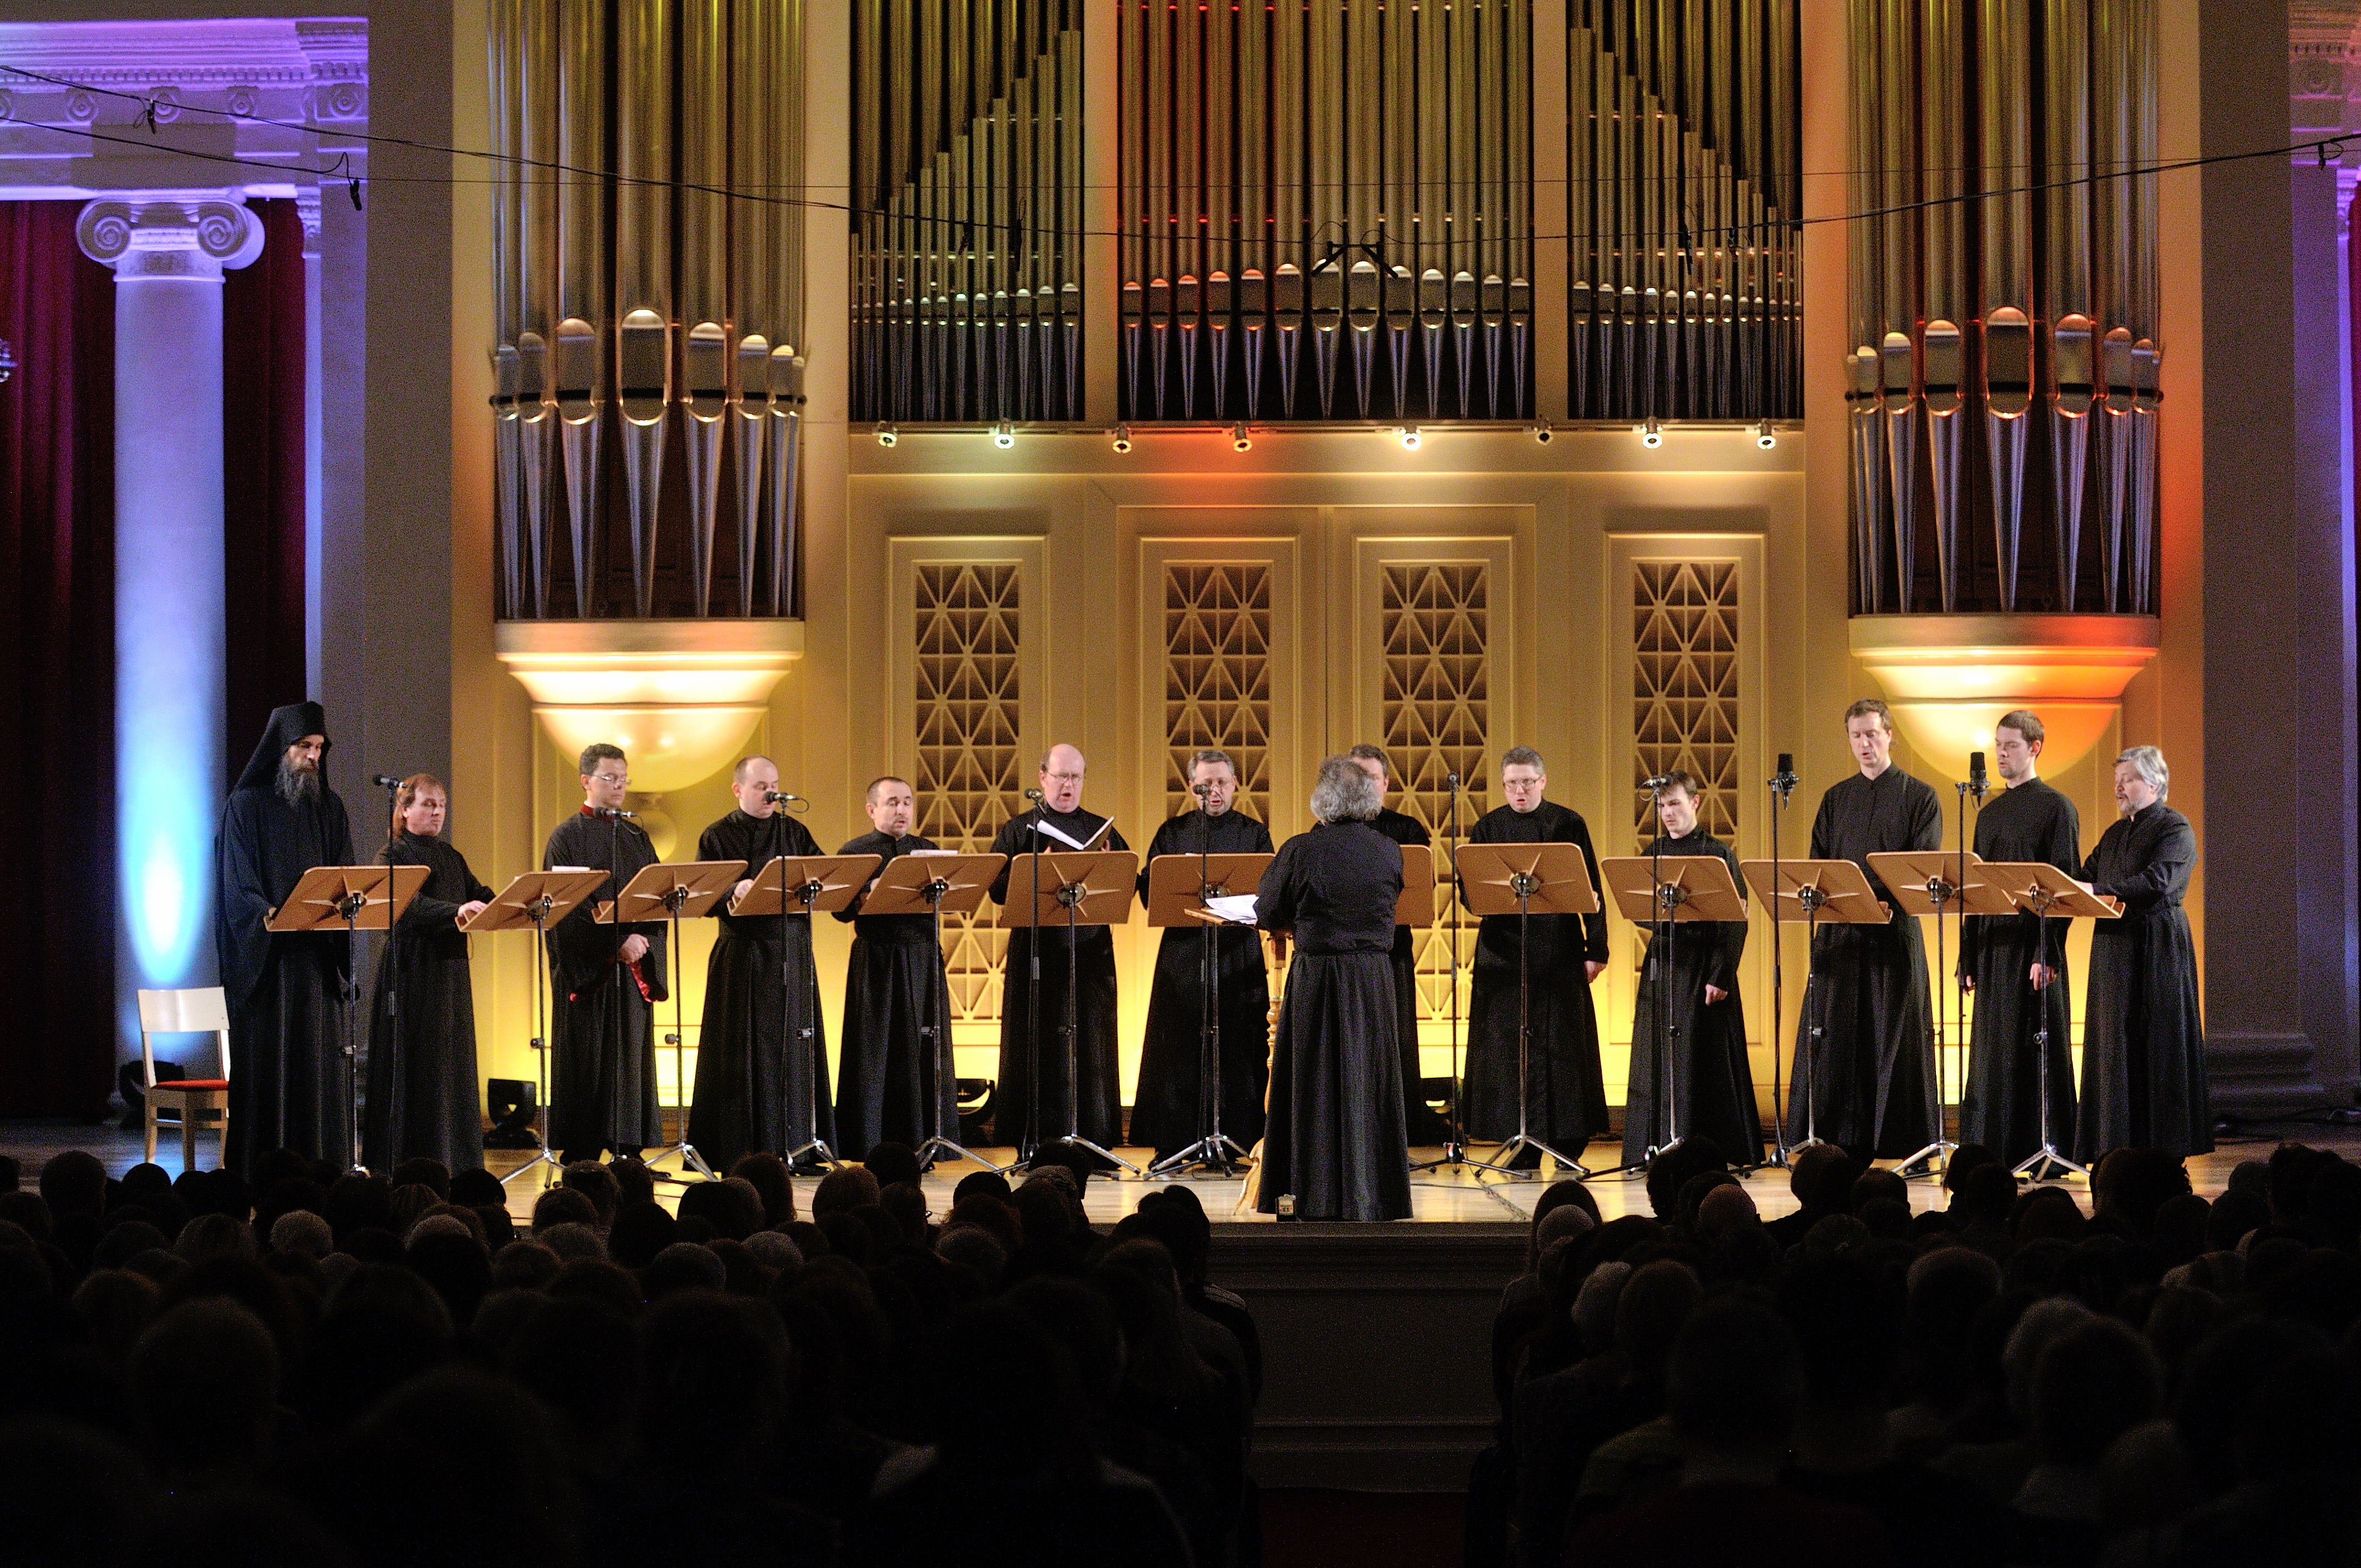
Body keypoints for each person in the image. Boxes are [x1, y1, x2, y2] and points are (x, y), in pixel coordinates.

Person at [1256, 756, 1411, 1221]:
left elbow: (1267, 910)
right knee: (1369, 1081)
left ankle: (1312, 1194)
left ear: (1322, 801)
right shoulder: (1389, 849)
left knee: (1313, 1083)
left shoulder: (1301, 850)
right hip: (1372, 981)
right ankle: (1373, 1196)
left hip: (1318, 978)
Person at [1788, 699, 1943, 1160]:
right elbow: (1819, 861)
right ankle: (1839, 1138)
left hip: (1892, 934)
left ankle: (1898, 1142)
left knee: (1891, 1036)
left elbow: (1920, 863)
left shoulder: (1920, 796)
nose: (1864, 744)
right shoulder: (1837, 797)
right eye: (1856, 736)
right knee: (1835, 1035)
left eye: (1872, 734)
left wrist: (1873, 894)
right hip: (1841, 936)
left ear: (1890, 734)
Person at [215, 701, 357, 1175]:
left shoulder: (329, 807)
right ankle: (265, 1172)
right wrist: (268, 914)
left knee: (318, 1072)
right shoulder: (246, 806)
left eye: (319, 748)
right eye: (304, 747)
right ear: (281, 748)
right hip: (270, 968)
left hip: (317, 965)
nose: (313, 757)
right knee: (271, 1071)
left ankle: (323, 1170)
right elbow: (237, 885)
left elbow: (346, 876)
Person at [1461, 746, 1611, 1164]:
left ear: (1543, 781)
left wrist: (1596, 947)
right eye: (1511, 784)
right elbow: (1471, 891)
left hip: (1559, 952)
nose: (1519, 791)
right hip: (1504, 957)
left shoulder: (1567, 823)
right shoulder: (1487, 827)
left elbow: (1592, 890)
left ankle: (1567, 1144)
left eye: (1527, 782)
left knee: (1562, 1049)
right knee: (1509, 1051)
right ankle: (1521, 1144)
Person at [1129, 749, 1276, 1161]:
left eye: (1223, 783)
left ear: (1235, 785)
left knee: (1240, 1046)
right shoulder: (1173, 833)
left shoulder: (1254, 833)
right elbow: (1149, 890)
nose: (1215, 792)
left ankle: (1241, 1141)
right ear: (1192, 787)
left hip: (1237, 954)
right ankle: (1176, 1143)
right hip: (1184, 954)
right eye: (1206, 784)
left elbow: (1269, 888)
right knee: (1178, 1048)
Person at [988, 744, 1130, 1157]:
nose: (1068, 785)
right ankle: (1036, 1139)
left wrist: (1108, 867)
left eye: (1076, 777)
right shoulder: (1020, 830)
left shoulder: (1099, 827)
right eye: (1061, 776)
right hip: (1037, 952)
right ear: (1043, 778)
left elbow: (1126, 885)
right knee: (1037, 1040)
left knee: (1091, 1039)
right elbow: (996, 889)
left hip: (1089, 953)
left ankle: (1094, 1140)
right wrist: (1035, 869)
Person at [687, 756, 828, 1169]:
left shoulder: (793, 829)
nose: (771, 792)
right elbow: (702, 891)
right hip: (744, 956)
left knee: (794, 1044)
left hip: (792, 951)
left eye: (775, 784)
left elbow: (821, 872)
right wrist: (735, 885)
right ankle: (741, 1151)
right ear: (738, 790)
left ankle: (797, 1145)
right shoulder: (717, 835)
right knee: (744, 1052)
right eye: (761, 785)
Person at [1958, 710, 2081, 1167]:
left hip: (2033, 952)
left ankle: (2040, 1151)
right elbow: (1974, 890)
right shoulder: (1987, 814)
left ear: (2035, 747)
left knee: (2032, 1051)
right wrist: (1966, 956)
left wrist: (2046, 953)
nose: (2001, 754)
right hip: (1992, 950)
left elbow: (2063, 887)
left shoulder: (2056, 807)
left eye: (2010, 745)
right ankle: (1992, 1151)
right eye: (1998, 745)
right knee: (1992, 1054)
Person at [2076, 746, 2210, 1162]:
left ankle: (2163, 1148)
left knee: (2158, 1042)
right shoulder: (2115, 833)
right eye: (2116, 779)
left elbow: (2157, 881)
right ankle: (2117, 1145)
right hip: (2112, 949)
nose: (2119, 786)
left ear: (2154, 783)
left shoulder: (2176, 828)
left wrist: (2096, 890)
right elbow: (2085, 875)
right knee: (2115, 1044)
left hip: (2157, 946)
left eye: (2128, 779)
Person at [1623, 770, 1760, 1166]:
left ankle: (1707, 1150)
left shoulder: (1717, 854)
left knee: (1702, 1059)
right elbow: (1640, 912)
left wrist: (1721, 974)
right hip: (1665, 963)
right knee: (1659, 1055)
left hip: (1704, 967)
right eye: (1662, 805)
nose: (1667, 813)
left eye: (1675, 804)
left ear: (1695, 803)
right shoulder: (1653, 854)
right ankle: (1654, 1146)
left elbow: (1736, 919)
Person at [541, 743, 666, 1164]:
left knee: (629, 1061)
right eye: (609, 778)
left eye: (623, 779)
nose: (618, 786)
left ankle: (628, 1152)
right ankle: (583, 1157)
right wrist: (614, 946)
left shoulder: (635, 835)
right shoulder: (566, 837)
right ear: (586, 781)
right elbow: (565, 909)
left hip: (633, 972)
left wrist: (642, 942)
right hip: (588, 976)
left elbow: (653, 895)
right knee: (587, 1062)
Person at [365, 775, 493, 1175]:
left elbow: (478, 893)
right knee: (419, 1065)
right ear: (404, 810)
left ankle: (454, 1160)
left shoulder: (451, 855)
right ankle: (410, 1161)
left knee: (450, 1064)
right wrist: (454, 912)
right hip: (412, 971)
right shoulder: (393, 854)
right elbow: (407, 905)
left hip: (450, 973)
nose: (437, 811)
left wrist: (510, 904)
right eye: (427, 804)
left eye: (441, 805)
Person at [834, 775, 959, 1160]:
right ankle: (869, 1142)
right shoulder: (855, 851)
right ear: (872, 810)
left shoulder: (928, 851)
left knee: (922, 1047)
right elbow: (839, 910)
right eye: (892, 803)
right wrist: (862, 897)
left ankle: (925, 1143)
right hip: (877, 958)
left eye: (907, 802)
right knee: (874, 1050)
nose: (901, 809)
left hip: (921, 955)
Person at [1350, 744, 1451, 1143]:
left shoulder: (1406, 829)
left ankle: (1396, 1127)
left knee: (1395, 1040)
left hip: (1391, 953)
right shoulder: (1325, 832)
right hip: (1346, 956)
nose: (1364, 787)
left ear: (1386, 783)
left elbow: (1419, 892)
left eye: (1371, 779)